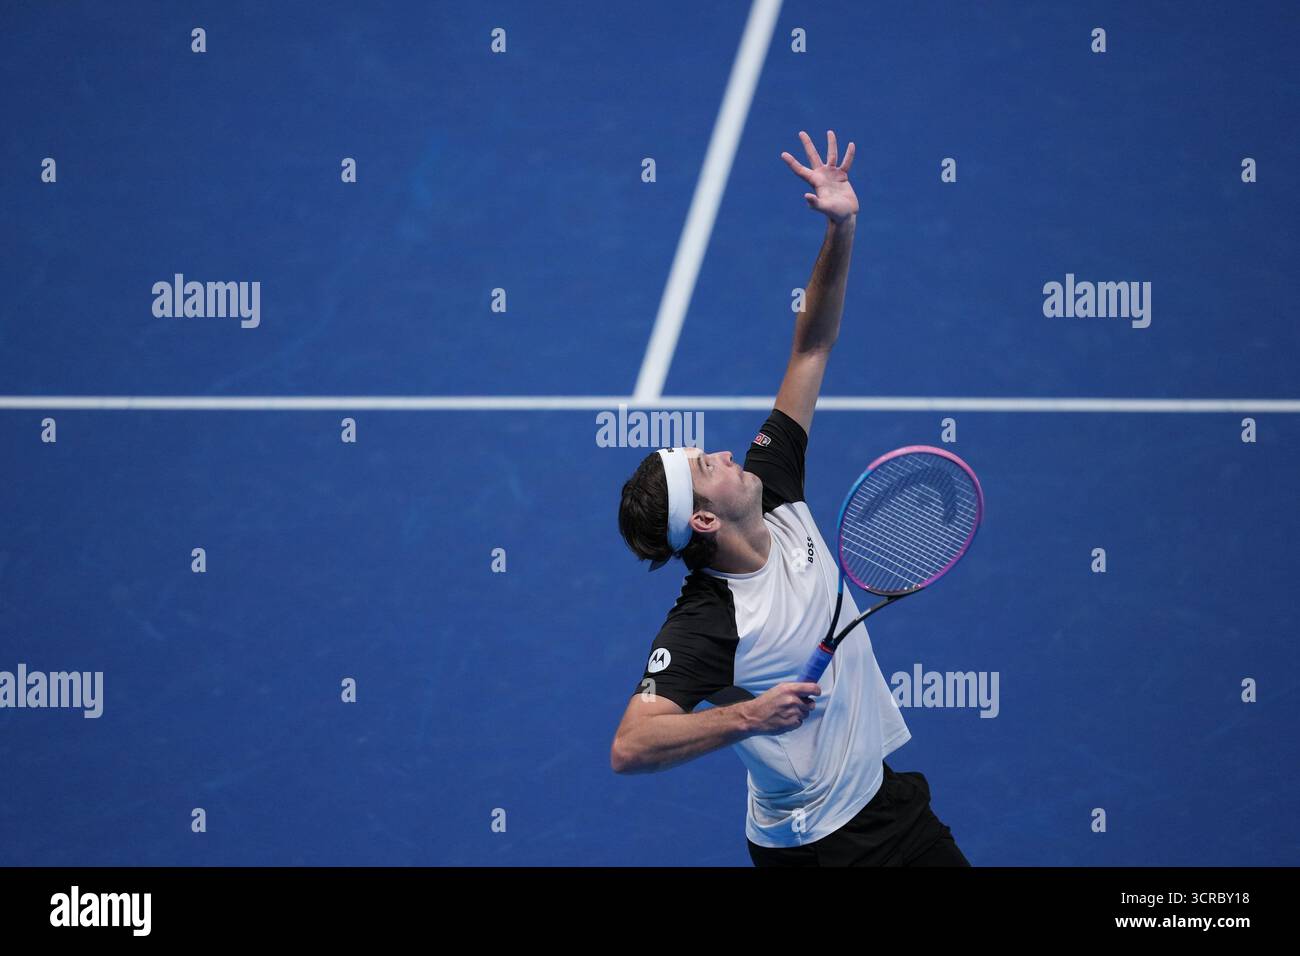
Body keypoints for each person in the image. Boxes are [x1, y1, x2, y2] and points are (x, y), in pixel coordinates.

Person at [611, 130, 970, 866]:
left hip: (884, 801)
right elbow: (630, 746)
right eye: (704, 466)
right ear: (705, 520)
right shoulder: (710, 623)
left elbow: (809, 348)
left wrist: (842, 226)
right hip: (818, 850)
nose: (722, 453)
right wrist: (746, 716)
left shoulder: (773, 486)